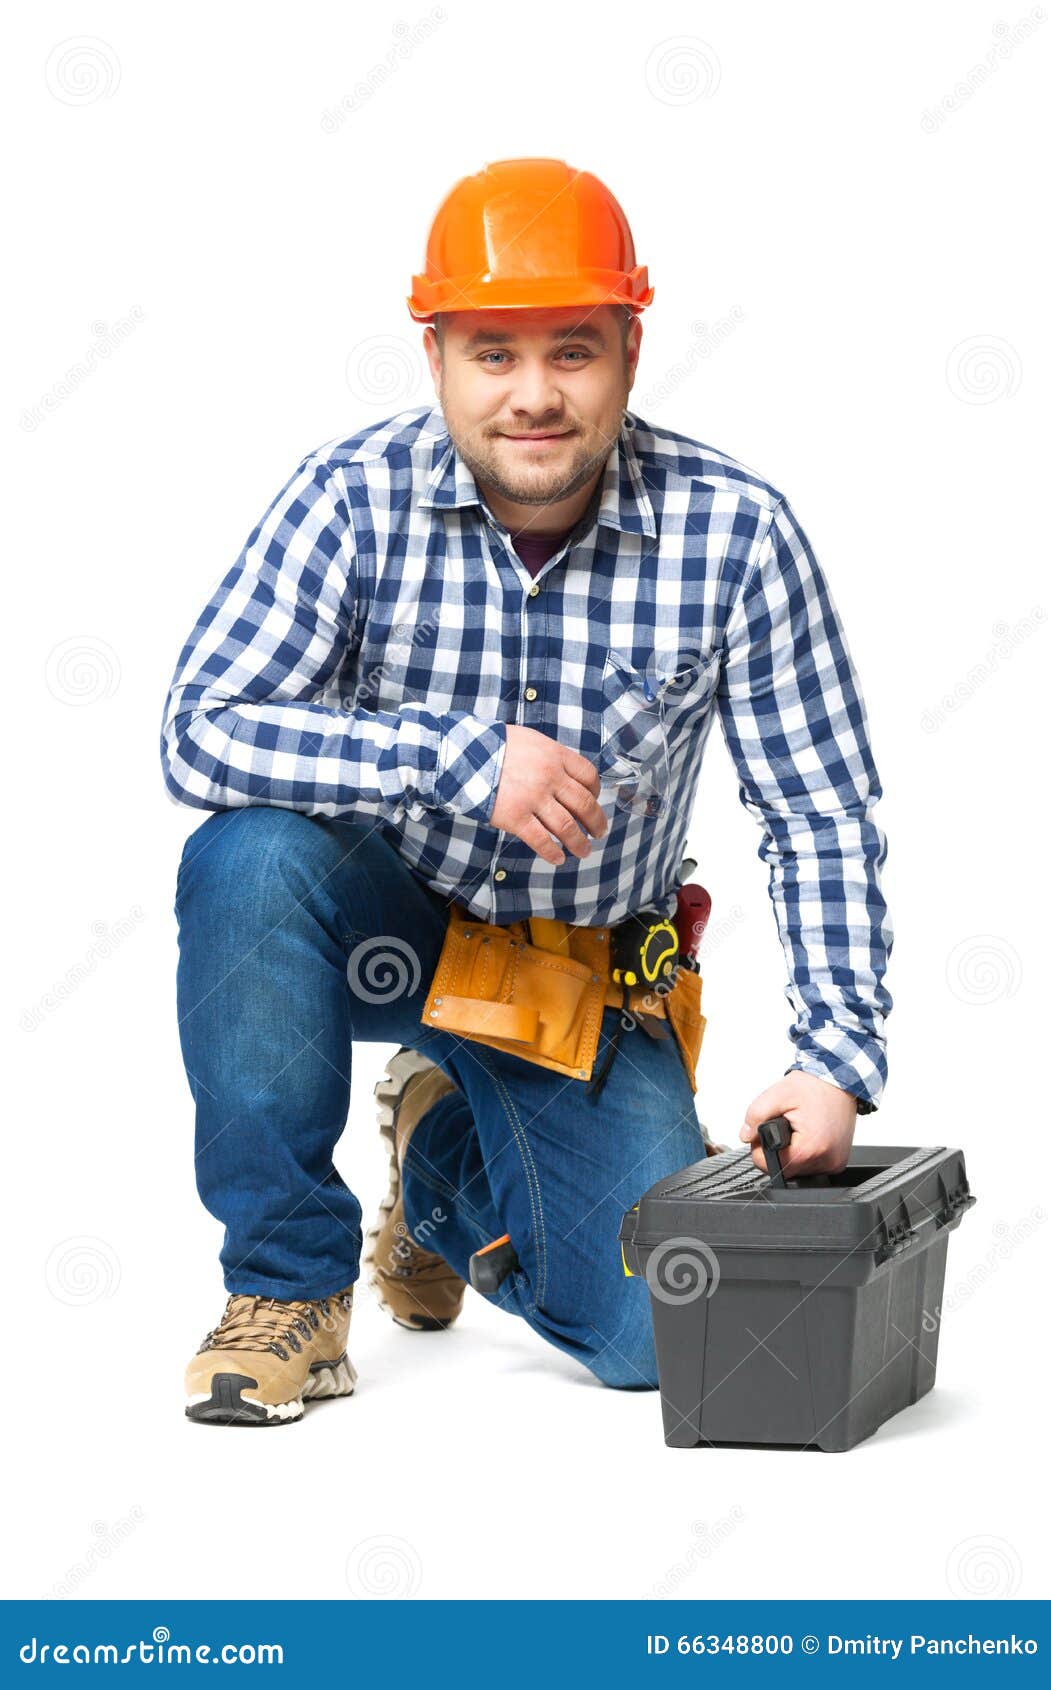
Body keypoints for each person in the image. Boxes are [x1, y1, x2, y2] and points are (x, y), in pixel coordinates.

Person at [161, 158, 893, 1426]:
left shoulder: (734, 532)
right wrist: (454, 757)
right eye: (493, 353)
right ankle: (286, 1289)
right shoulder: (350, 498)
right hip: (376, 929)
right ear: (435, 354)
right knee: (248, 855)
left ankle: (439, 1156)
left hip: (576, 981)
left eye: (573, 349)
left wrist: (835, 1056)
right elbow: (199, 730)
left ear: (628, 347)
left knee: (655, 1333)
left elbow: (817, 807)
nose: (535, 395)